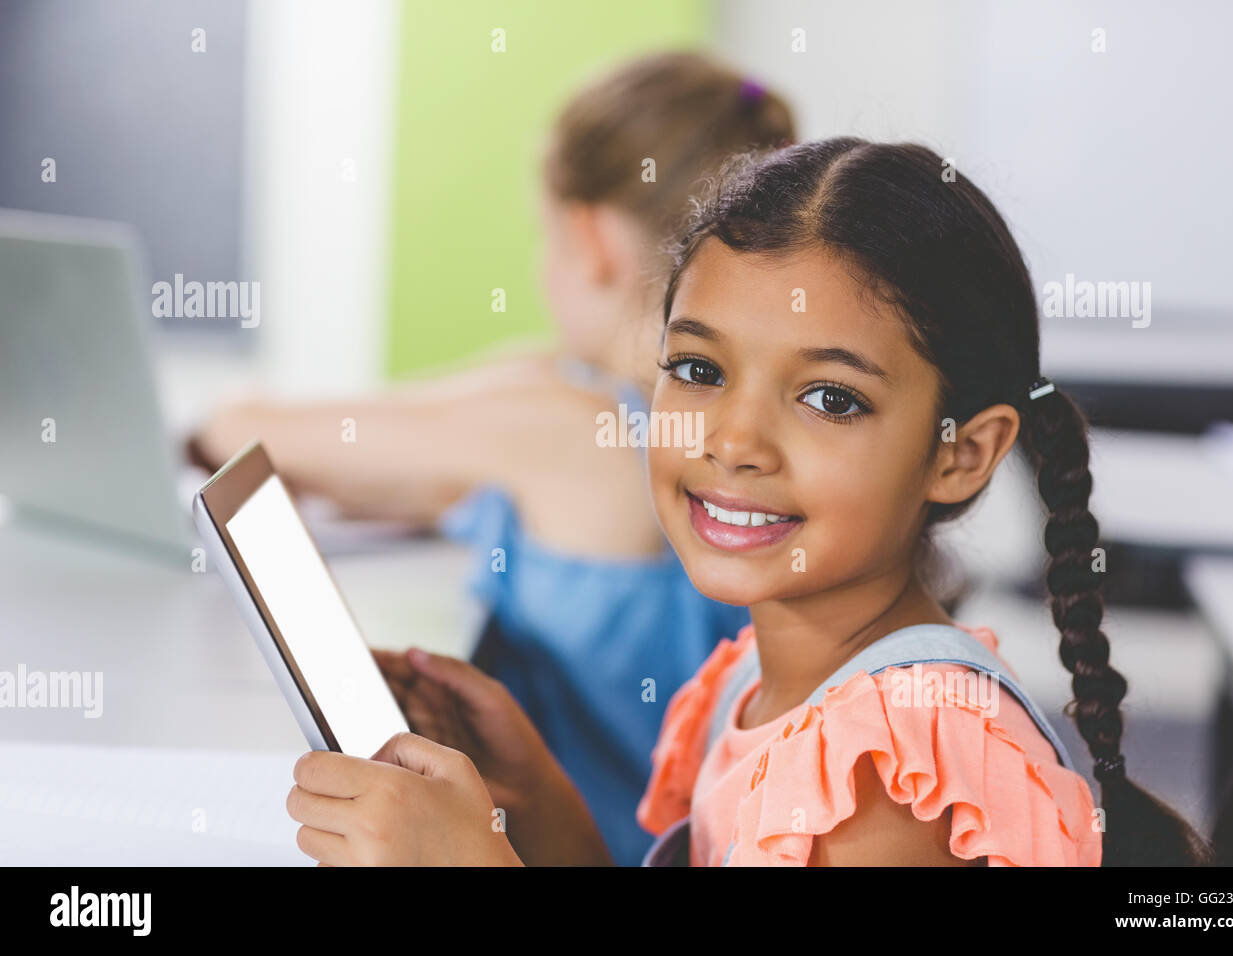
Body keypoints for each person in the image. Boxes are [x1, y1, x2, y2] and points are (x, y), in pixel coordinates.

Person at [285, 138, 1211, 866]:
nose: (732, 440)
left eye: (830, 399)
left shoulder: (887, 774)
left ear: (962, 454)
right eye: (698, 369)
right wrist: (532, 800)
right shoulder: (764, 681)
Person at [191, 52, 796, 865]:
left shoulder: (572, 421)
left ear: (588, 239)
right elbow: (415, 473)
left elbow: (243, 431)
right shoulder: (685, 423)